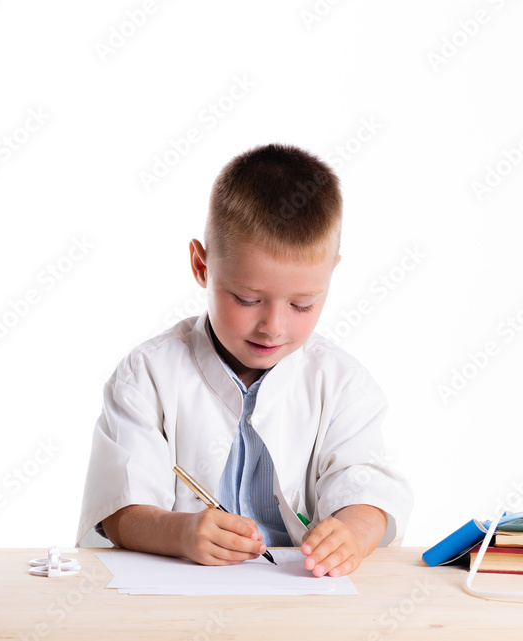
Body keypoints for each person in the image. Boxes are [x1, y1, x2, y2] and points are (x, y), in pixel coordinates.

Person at [77, 143, 412, 577]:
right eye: (247, 299)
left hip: (298, 601)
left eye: (303, 304)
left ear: (332, 273)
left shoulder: (342, 383)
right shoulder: (148, 375)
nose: (273, 326)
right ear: (201, 265)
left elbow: (368, 486)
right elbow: (118, 508)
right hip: (179, 598)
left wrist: (352, 533)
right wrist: (177, 532)